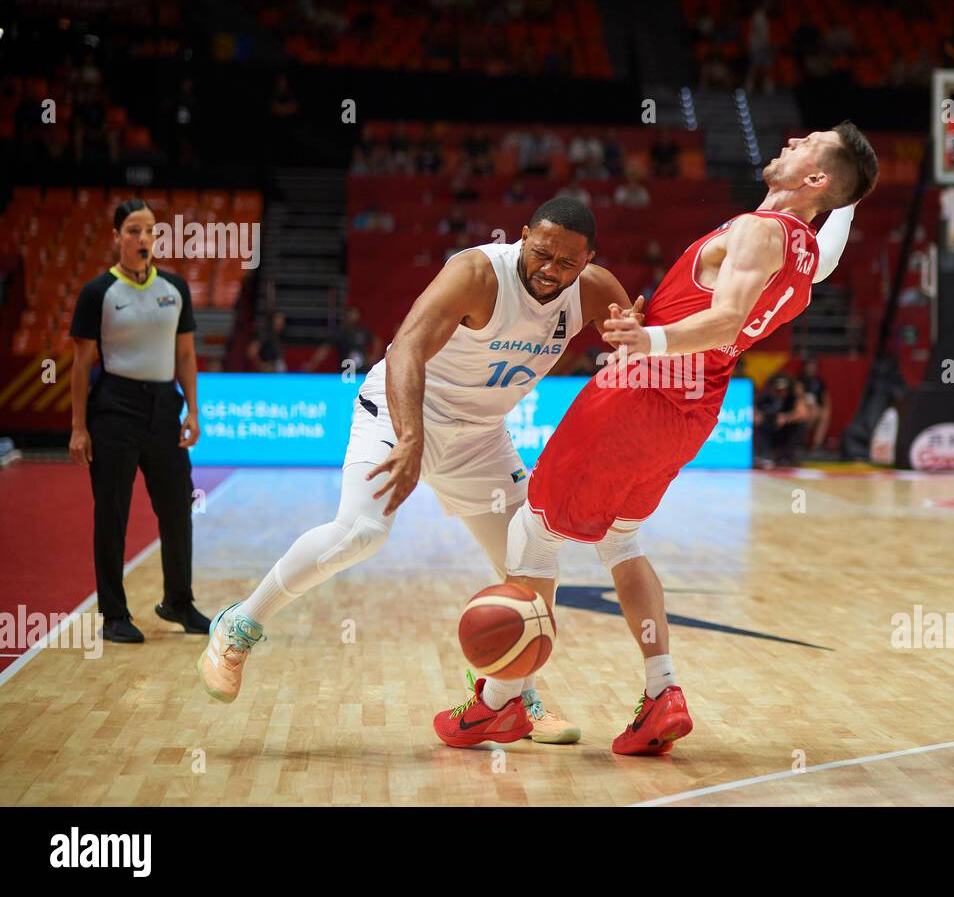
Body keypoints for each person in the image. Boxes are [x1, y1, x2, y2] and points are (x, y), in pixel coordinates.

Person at [432, 123, 877, 754]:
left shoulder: (759, 230)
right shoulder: (804, 253)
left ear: (815, 181)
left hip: (640, 393)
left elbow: (724, 318)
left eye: (807, 143)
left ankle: (497, 704)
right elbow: (816, 257)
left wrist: (651, 340)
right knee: (621, 538)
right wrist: (850, 199)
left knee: (532, 533)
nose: (791, 141)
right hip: (694, 412)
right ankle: (661, 692)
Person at [197, 199, 641, 747]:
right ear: (523, 236)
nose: (550, 269)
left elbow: (636, 352)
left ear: (589, 259)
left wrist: (632, 344)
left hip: (480, 439)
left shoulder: (596, 289)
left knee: (531, 558)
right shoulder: (478, 274)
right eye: (541, 252)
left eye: (566, 263)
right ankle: (237, 626)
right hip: (401, 412)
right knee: (361, 532)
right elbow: (406, 346)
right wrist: (410, 438)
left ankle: (509, 695)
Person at [68, 199, 209, 643]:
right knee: (112, 512)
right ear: (116, 237)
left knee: (177, 505)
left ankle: (178, 602)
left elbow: (185, 352)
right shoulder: (97, 293)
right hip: (115, 406)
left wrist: (193, 409)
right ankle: (113, 614)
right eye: (133, 230)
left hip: (165, 407)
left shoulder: (175, 288)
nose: (143, 238)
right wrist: (78, 427)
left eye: (149, 230)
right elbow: (79, 364)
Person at [303, 305, 384, 374]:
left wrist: (374, 356)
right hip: (346, 371)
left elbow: (377, 341)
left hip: (363, 370)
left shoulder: (363, 330)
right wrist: (313, 363)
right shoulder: (340, 332)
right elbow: (325, 349)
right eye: (351, 313)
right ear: (346, 315)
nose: (353, 316)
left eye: (355, 313)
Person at [755, 373, 809, 468]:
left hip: (786, 432)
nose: (781, 392)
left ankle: (790, 455)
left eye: (784, 390)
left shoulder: (793, 398)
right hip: (770, 432)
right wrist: (765, 418)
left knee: (800, 424)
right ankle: (764, 455)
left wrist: (785, 418)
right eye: (777, 390)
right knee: (758, 425)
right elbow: (754, 415)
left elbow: (803, 413)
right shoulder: (764, 398)